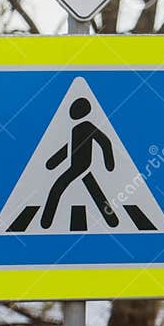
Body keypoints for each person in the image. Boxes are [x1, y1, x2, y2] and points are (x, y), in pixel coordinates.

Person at [40, 97, 119, 229]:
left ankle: (46, 222)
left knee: (57, 188)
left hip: (82, 165)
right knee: (93, 190)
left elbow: (104, 141)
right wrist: (53, 162)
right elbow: (69, 148)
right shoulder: (75, 129)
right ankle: (112, 220)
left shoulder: (88, 126)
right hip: (76, 166)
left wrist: (109, 163)